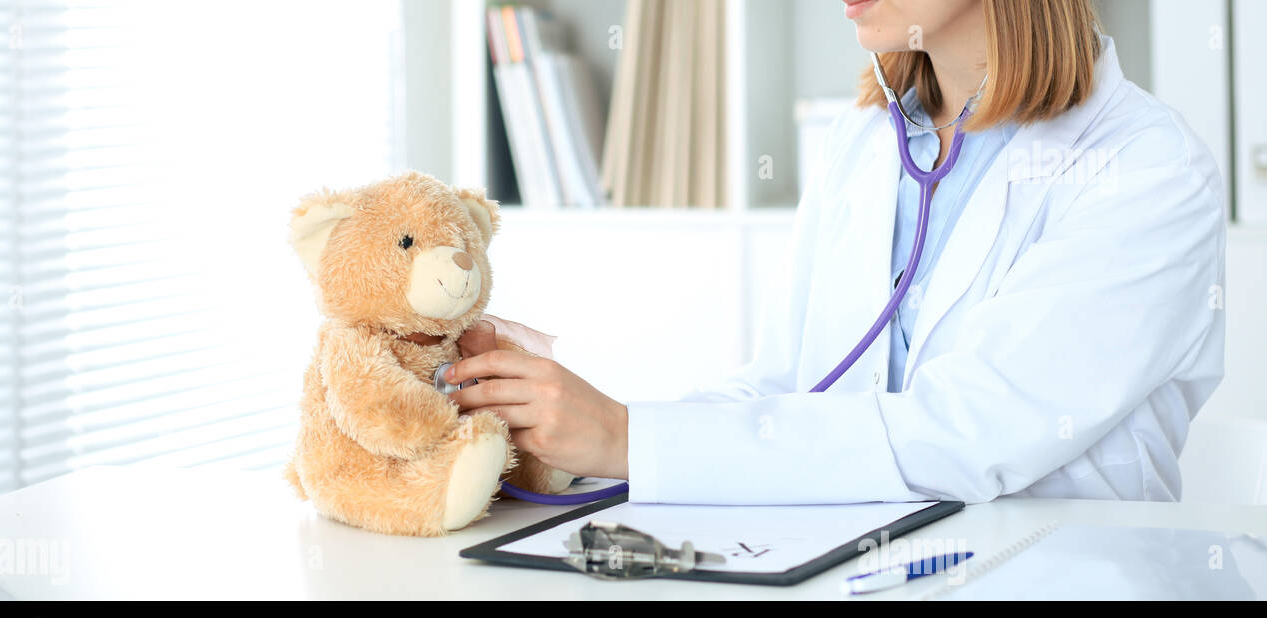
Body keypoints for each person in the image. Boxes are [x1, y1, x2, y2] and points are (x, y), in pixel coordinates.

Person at [445, 0, 1226, 504]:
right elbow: (786, 388)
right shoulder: (863, 142)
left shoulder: (1147, 168)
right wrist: (554, 444)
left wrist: (627, 438)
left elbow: (966, 434)